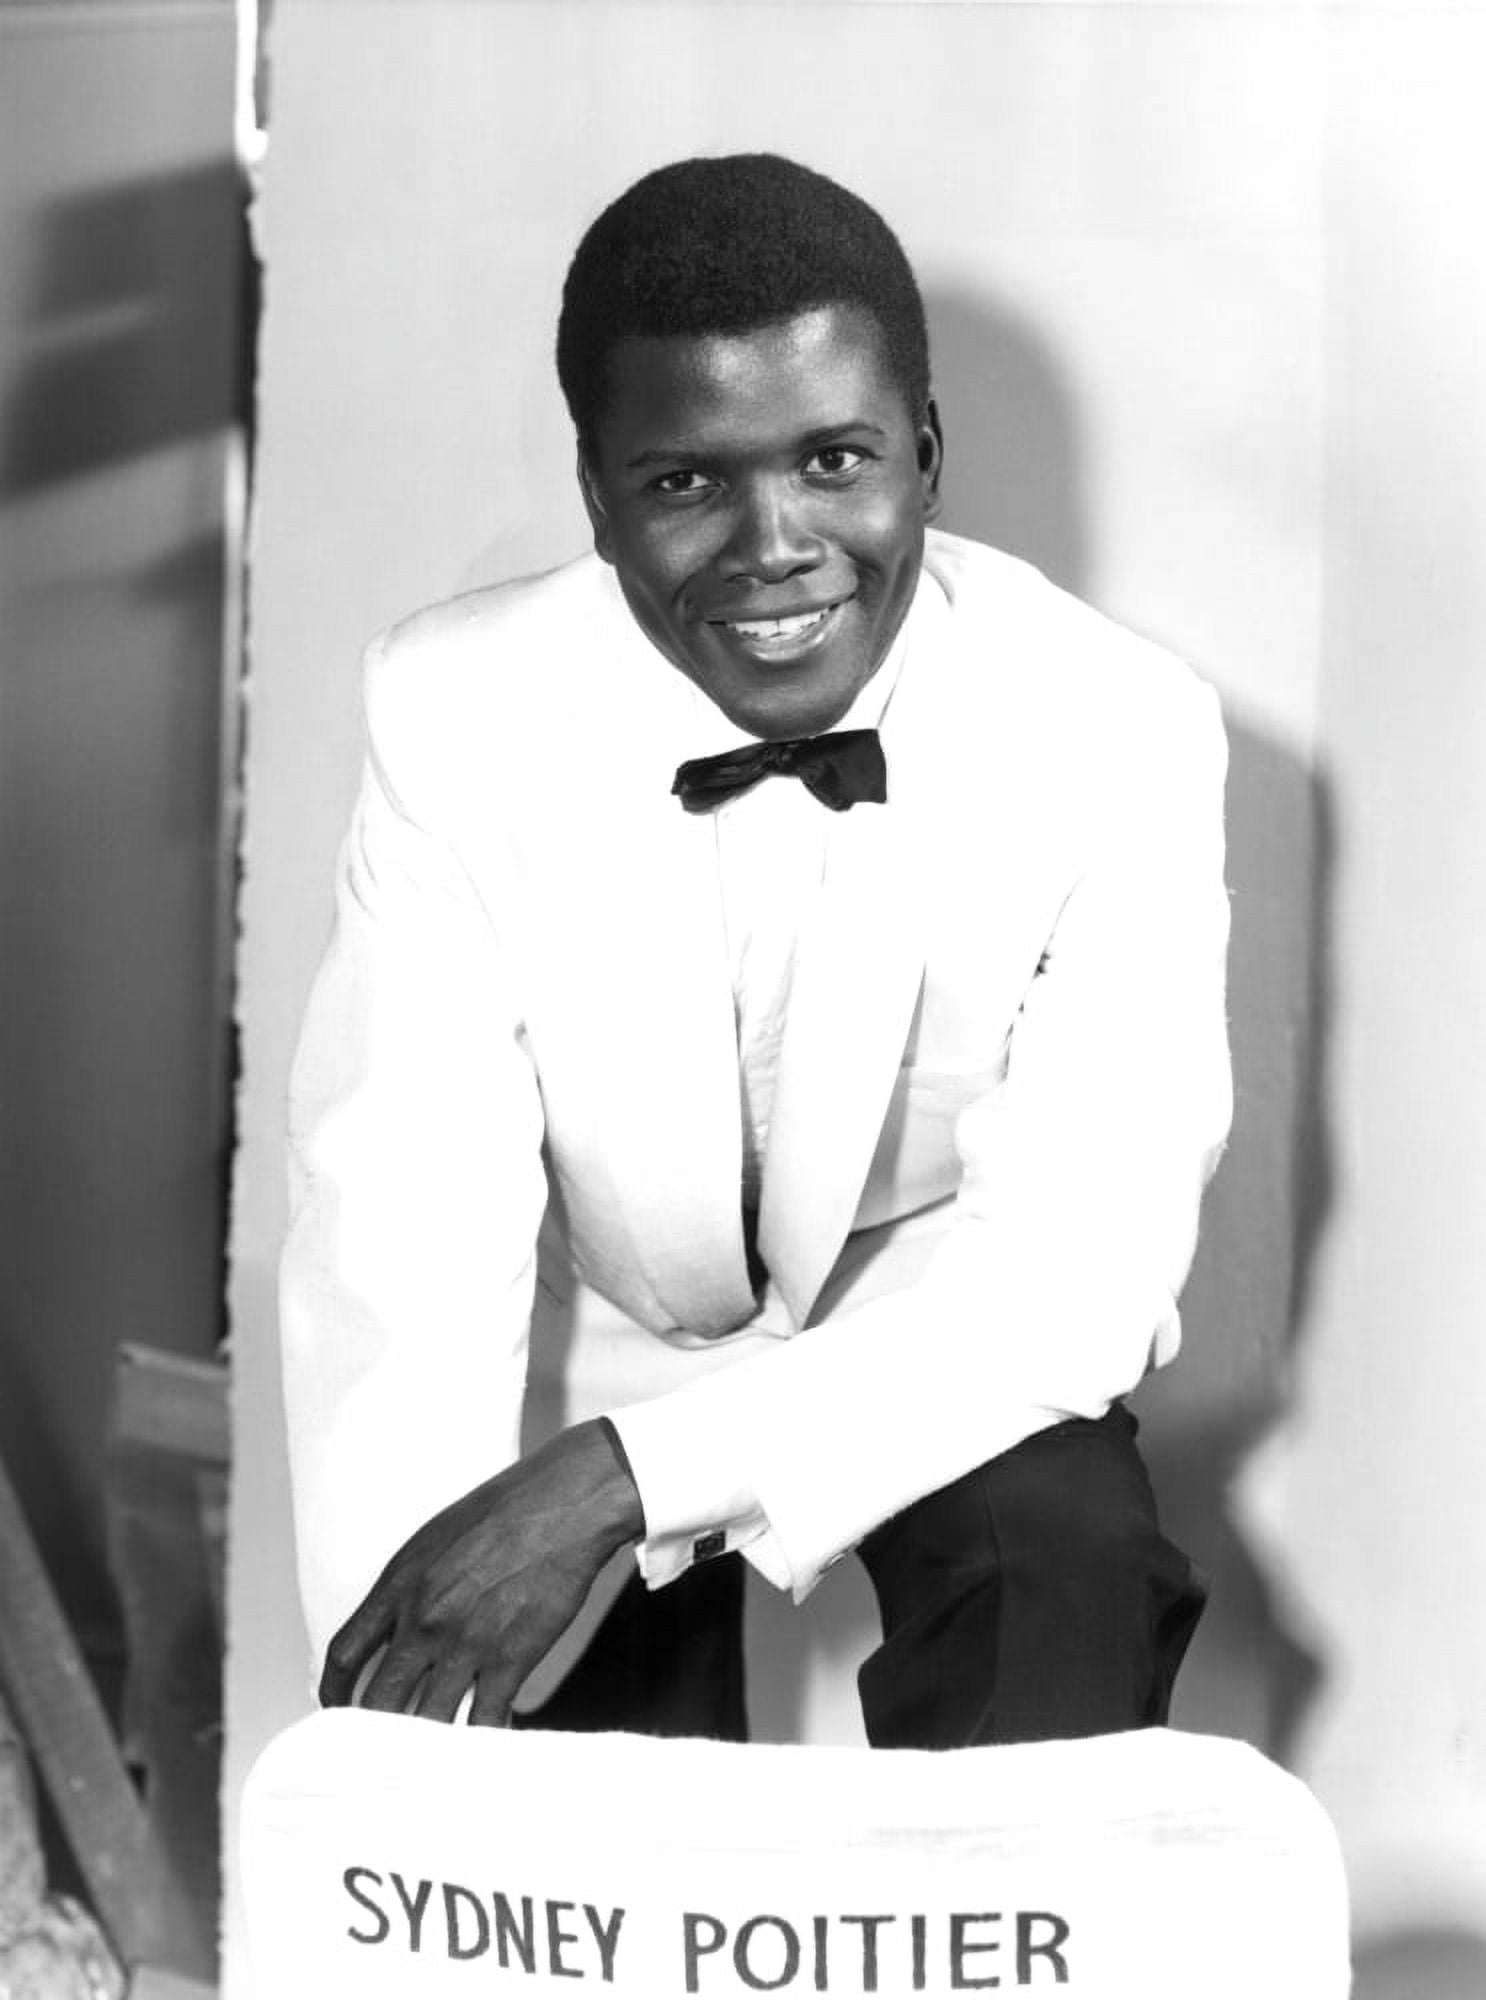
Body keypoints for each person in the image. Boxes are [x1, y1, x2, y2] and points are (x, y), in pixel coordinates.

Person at [280, 153, 1232, 1751]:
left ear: (924, 455)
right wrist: (400, 1691)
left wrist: (636, 1483)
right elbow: (399, 1232)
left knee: (1062, 1571)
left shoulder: (1117, 729)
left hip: (926, 1309)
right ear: (597, 496)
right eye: (683, 483)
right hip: (595, 1329)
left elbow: (1076, 1269)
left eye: (834, 460)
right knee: (530, 1794)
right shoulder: (448, 713)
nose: (772, 544)